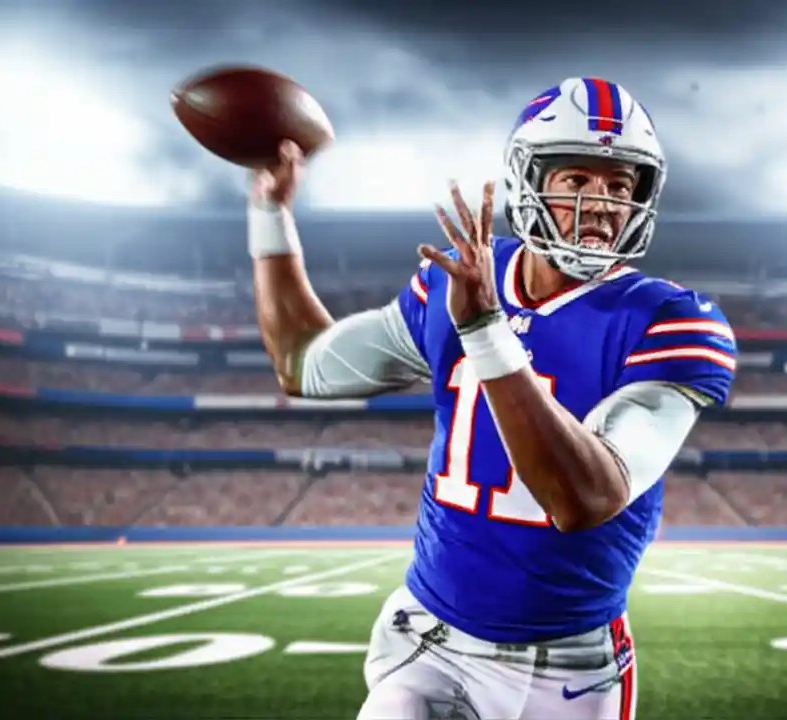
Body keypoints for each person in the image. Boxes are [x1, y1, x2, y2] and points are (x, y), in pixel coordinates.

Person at [247, 76, 737, 720]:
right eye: (577, 181)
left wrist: (485, 331)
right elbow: (302, 362)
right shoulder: (455, 281)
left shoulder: (669, 319)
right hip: (430, 642)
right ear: (528, 178)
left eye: (621, 186)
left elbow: (585, 497)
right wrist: (269, 213)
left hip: (567, 668)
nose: (603, 204)